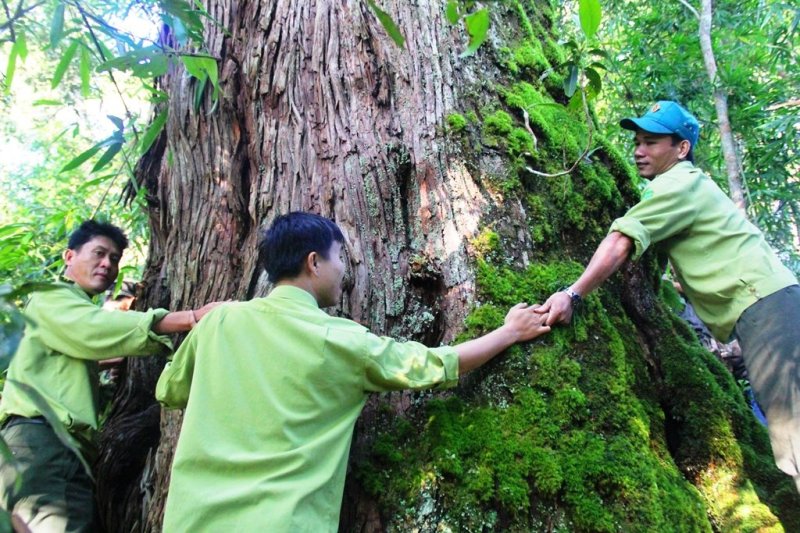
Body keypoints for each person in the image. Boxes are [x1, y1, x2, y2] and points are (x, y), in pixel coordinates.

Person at [156, 211, 551, 531]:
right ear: (314, 262)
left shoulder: (219, 321)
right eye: (339, 257)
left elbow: (168, 390)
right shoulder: (340, 340)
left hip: (190, 521)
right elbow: (435, 364)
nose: (344, 270)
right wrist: (509, 332)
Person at [536, 101, 800, 492]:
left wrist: (573, 294)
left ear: (681, 149)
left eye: (652, 142)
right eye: (637, 141)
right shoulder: (689, 186)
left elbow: (621, 241)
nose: (639, 151)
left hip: (765, 309)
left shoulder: (677, 184)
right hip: (769, 306)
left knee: (794, 434)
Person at [0, 220, 222, 532]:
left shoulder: (57, 309)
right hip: (44, 441)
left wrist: (107, 363)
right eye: (99, 253)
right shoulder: (52, 296)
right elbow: (90, 329)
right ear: (69, 257)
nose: (107, 264)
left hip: (42, 447)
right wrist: (190, 318)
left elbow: (57, 360)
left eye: (115, 258)